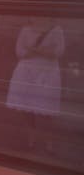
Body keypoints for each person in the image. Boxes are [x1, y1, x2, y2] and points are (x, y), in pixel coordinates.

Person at [6, 17, 65, 152]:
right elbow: (19, 52)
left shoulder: (57, 29)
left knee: (47, 110)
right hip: (26, 72)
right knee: (27, 107)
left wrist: (33, 50)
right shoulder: (26, 29)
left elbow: (58, 53)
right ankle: (31, 137)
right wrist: (45, 51)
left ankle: (49, 141)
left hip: (47, 74)